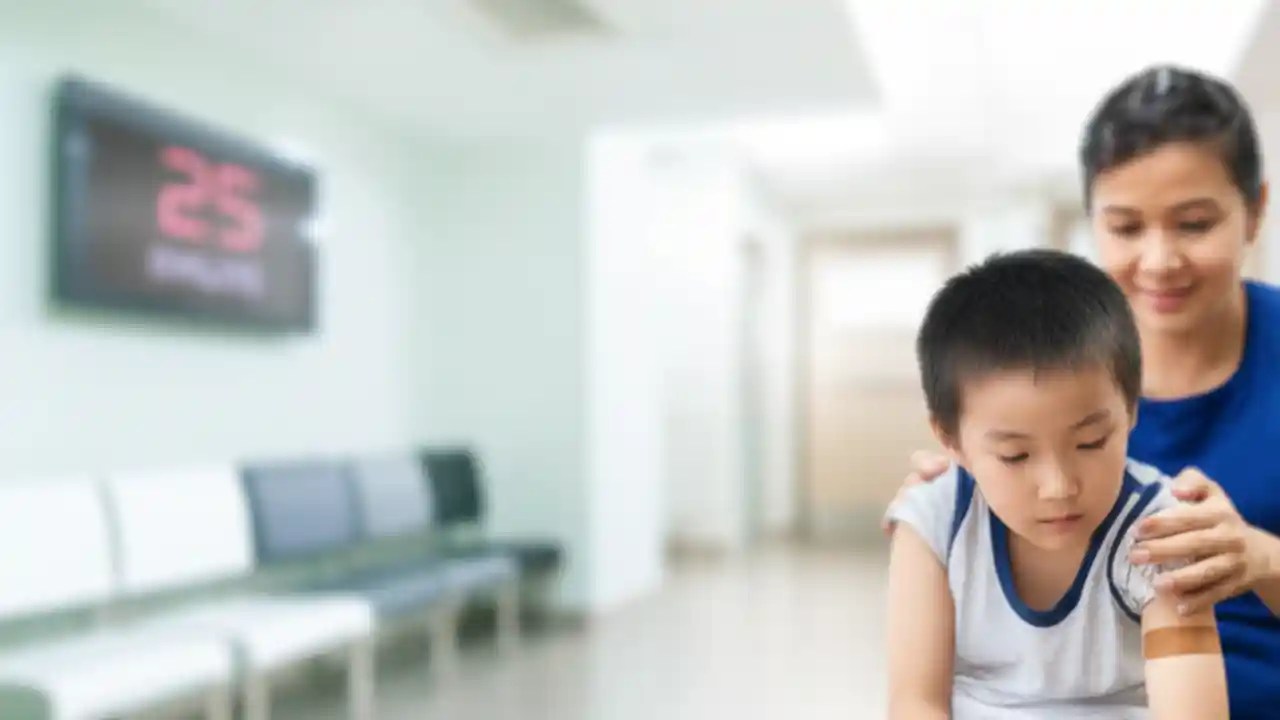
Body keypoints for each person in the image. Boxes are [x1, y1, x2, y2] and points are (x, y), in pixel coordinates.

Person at [886, 65, 1280, 718]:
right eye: (1126, 227)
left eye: (1193, 223)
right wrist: (962, 494)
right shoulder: (1042, 369)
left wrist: (1262, 559)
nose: (1159, 260)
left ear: (1255, 210)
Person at [887, 249, 1227, 718]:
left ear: (1130, 409)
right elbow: (915, 702)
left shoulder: (1161, 530)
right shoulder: (934, 523)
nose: (1058, 487)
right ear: (951, 440)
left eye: (1090, 442)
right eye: (1015, 456)